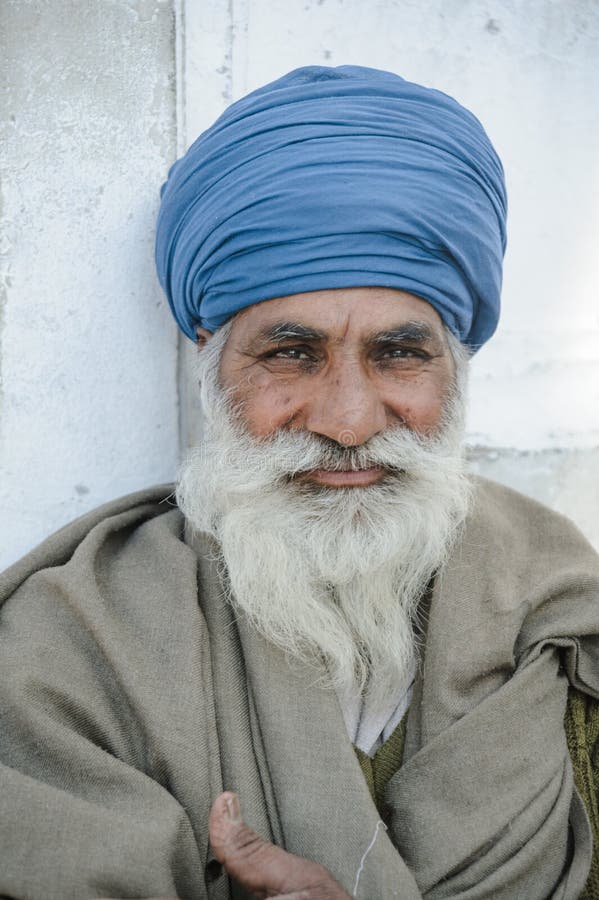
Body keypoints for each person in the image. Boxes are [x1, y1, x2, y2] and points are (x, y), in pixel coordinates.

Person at [0, 65, 597, 900]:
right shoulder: (68, 654)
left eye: (399, 353)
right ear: (209, 357)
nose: (349, 422)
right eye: (290, 353)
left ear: (456, 368)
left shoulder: (564, 617)